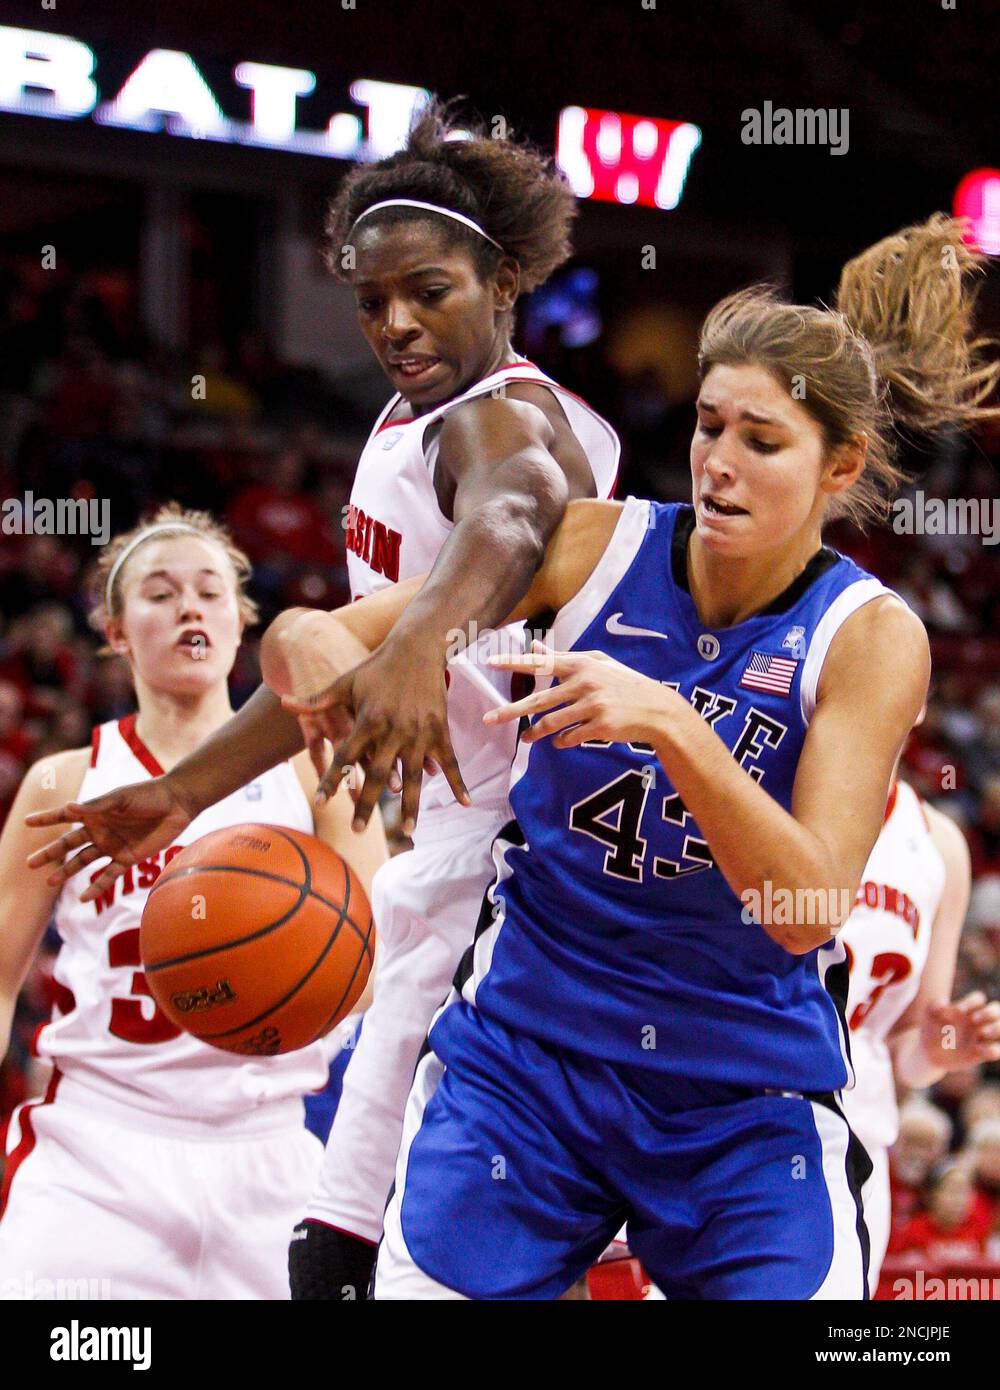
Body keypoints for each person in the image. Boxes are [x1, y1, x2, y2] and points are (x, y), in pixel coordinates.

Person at [269, 213, 996, 1298]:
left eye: (762, 440)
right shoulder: (590, 545)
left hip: (742, 1092)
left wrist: (671, 723)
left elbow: (803, 908)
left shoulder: (870, 636)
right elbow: (328, 636)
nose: (720, 462)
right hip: (529, 1053)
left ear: (838, 464)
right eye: (709, 425)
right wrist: (318, 646)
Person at [25, 99, 619, 1299]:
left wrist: (421, 644)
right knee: (335, 1246)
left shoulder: (503, 413)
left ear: (502, 280)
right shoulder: (409, 423)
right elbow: (341, 668)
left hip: (536, 863)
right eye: (370, 298)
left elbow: (516, 508)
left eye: (429, 291)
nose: (395, 322)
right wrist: (180, 791)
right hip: (455, 859)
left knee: (404, 1254)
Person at [1, 505, 387, 1299]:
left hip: (272, 1153)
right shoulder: (69, 780)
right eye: (160, 593)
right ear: (113, 631)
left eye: (210, 593)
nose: (189, 608)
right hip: (96, 1154)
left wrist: (277, 963)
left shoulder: (317, 769)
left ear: (243, 625)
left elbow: (379, 966)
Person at [839, 774, 1000, 1292]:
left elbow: (911, 1049)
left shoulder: (938, 842)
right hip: (718, 1103)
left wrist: (940, 1047)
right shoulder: (758, 787)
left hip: (850, 1138)